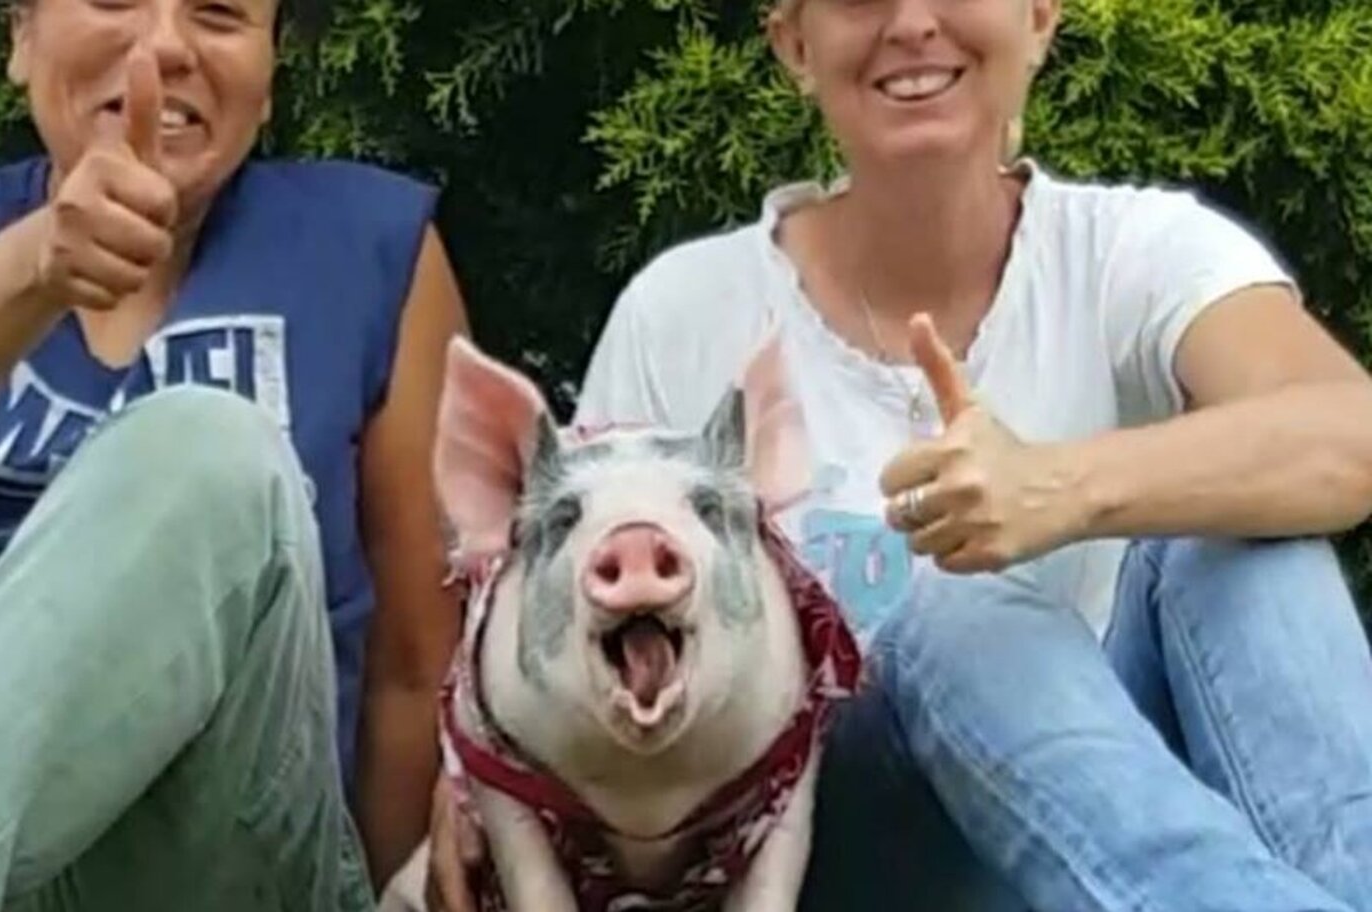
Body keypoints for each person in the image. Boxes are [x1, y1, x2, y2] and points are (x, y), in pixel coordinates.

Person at [422, 0, 1372, 910]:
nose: (913, 22)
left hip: (1125, 840)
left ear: (1039, 16)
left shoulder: (1134, 252)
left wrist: (1064, 488)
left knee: (1251, 543)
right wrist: (482, 764)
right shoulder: (686, 314)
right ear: (795, 46)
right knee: (950, 611)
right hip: (853, 849)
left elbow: (1349, 431)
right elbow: (562, 617)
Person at [0, 0, 466, 909]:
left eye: (220, 15)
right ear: (21, 38)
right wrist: (37, 265)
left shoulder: (370, 252)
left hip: (193, 854)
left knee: (211, 454)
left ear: (267, 82)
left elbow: (415, 669)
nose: (165, 45)